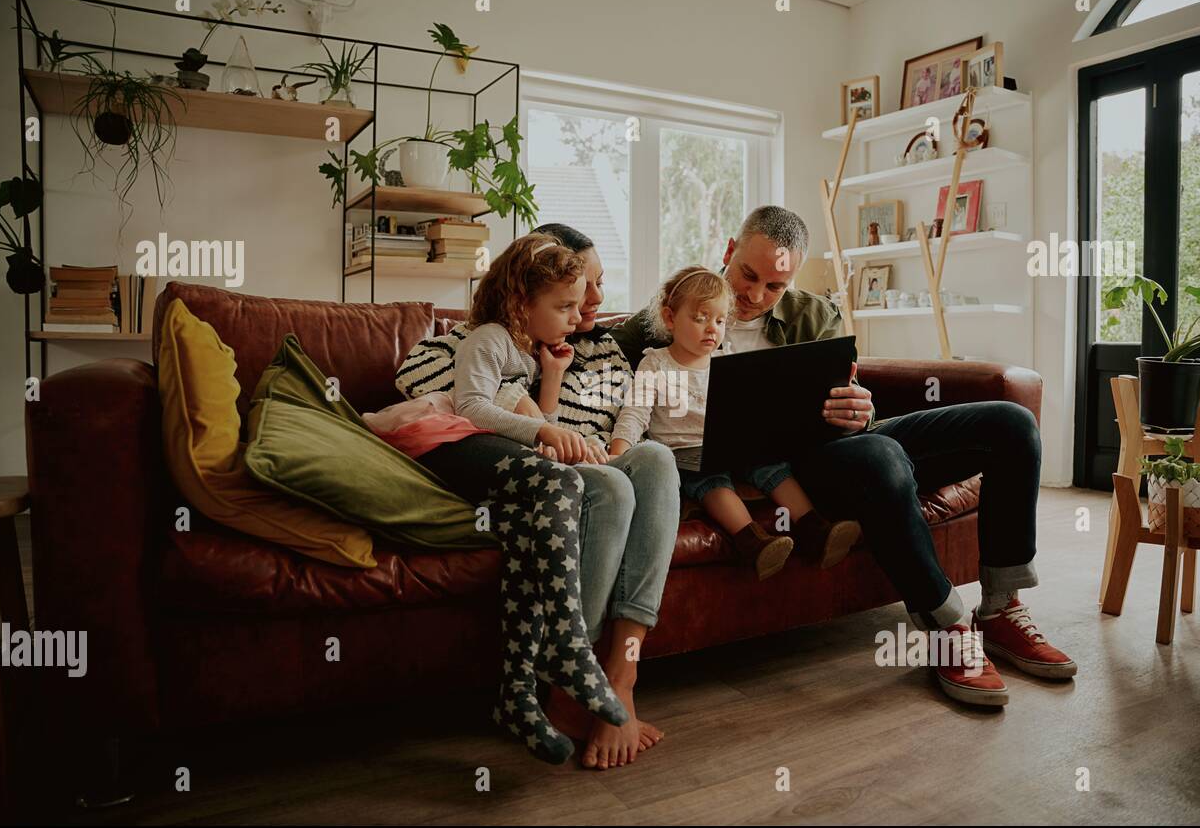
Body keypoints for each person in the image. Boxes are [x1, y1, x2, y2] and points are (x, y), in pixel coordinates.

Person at [613, 205, 1077, 708]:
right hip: (794, 471)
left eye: (774, 287)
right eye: (748, 275)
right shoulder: (680, 311)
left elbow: (851, 395)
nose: (755, 295)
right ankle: (947, 627)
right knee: (882, 458)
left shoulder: (816, 315)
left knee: (1012, 425)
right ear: (729, 251)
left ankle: (1002, 609)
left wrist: (861, 406)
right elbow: (598, 367)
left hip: (844, 443)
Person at [397, 224, 678, 770]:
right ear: (532, 297)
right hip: (541, 459)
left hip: (593, 453)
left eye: (597, 286)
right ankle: (572, 683)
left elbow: (635, 411)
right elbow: (443, 389)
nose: (593, 302)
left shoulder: (603, 350)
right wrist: (528, 406)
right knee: (611, 488)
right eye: (579, 291)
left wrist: (608, 442)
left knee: (656, 461)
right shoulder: (482, 337)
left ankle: (622, 676)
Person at [614, 266, 859, 580]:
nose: (712, 329)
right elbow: (634, 414)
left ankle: (815, 528)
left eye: (719, 320)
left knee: (771, 462)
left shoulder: (724, 359)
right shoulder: (656, 363)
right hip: (685, 454)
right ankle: (752, 541)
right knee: (711, 478)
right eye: (700, 318)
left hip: (731, 442)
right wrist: (619, 453)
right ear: (670, 318)